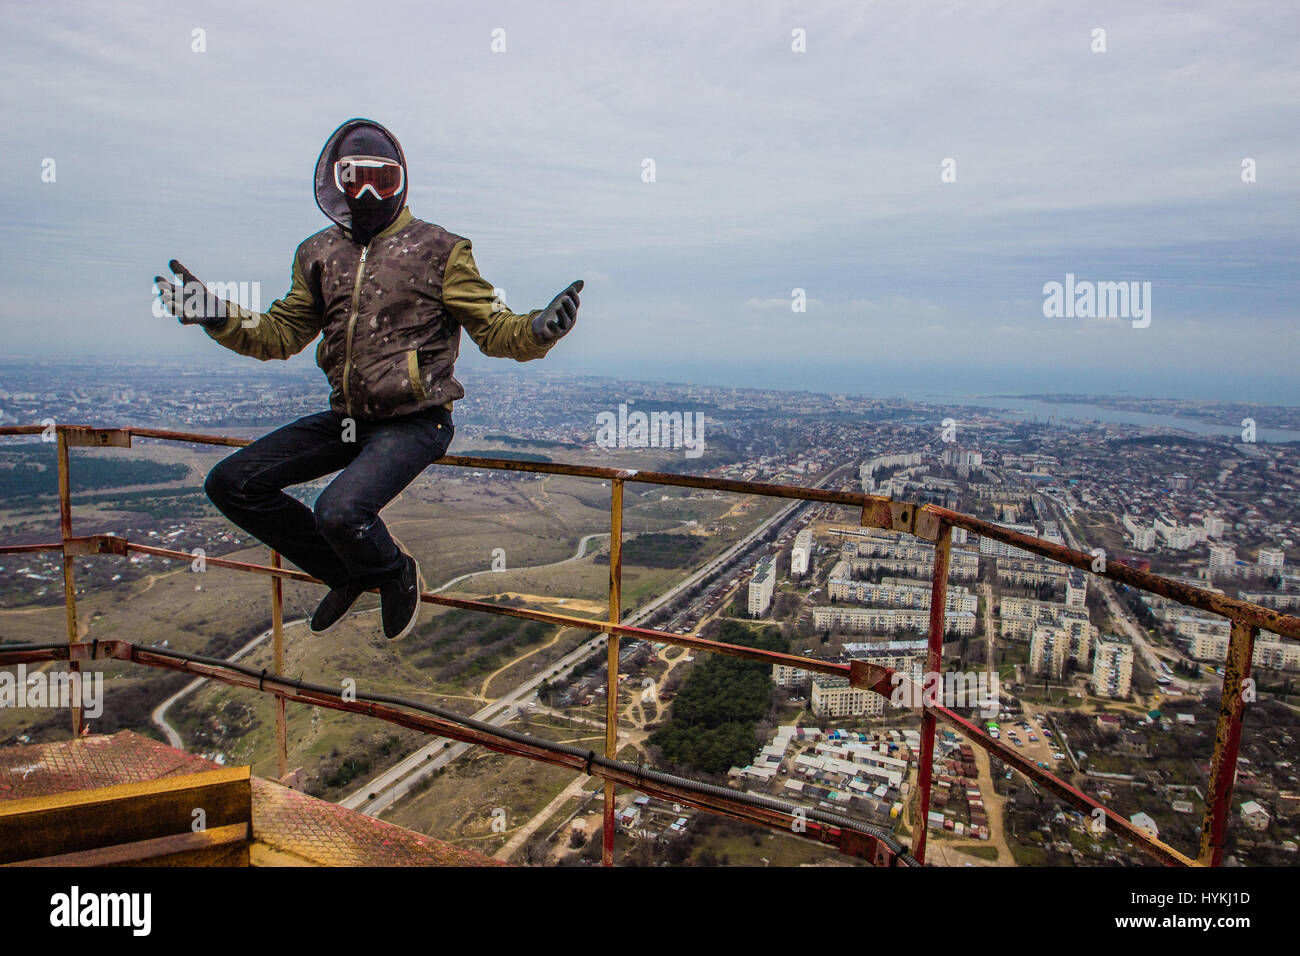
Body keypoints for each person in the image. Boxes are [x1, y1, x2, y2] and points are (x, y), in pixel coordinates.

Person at [154, 118, 582, 641]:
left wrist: (538, 329)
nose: (368, 190)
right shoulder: (318, 254)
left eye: (382, 177)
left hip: (417, 421)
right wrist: (217, 316)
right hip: (349, 419)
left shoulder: (442, 250)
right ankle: (345, 572)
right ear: (335, 180)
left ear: (401, 180)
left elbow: (496, 329)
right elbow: (280, 334)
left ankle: (393, 571)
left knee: (339, 510)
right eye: (354, 176)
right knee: (231, 484)